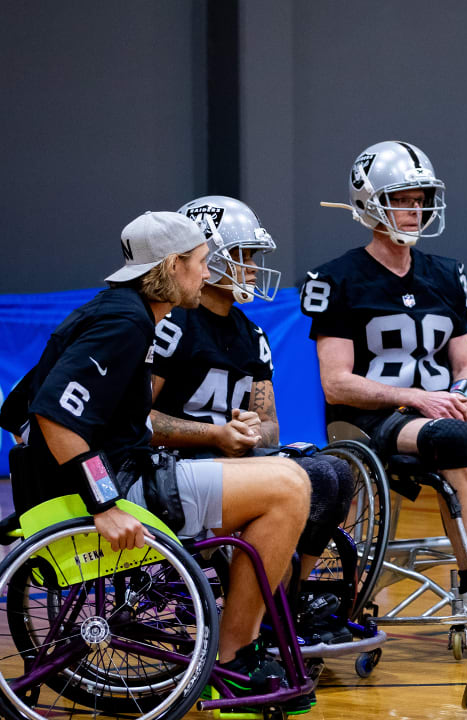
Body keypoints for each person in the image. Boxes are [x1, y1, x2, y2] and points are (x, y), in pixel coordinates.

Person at [0, 211, 312, 705]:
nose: (207, 272)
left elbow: (15, 406)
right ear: (172, 265)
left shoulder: (122, 312)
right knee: (290, 488)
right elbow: (52, 415)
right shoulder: (123, 322)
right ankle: (234, 658)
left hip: (127, 471)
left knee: (288, 471)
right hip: (115, 487)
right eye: (201, 262)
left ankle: (241, 633)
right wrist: (104, 505)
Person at [301, 140, 467, 612]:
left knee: (458, 434)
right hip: (365, 418)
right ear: (370, 204)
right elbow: (336, 383)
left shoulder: (447, 274)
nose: (414, 210)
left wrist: (458, 396)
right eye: (401, 200)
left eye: (419, 200)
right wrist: (418, 398)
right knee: (453, 439)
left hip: (435, 416)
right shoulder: (337, 279)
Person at [151, 196, 355, 616]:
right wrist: (214, 434)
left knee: (335, 472)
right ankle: (261, 608)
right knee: (315, 475)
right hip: (174, 465)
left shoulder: (252, 334)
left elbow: (271, 426)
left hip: (229, 461)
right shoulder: (171, 325)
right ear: (207, 258)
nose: (253, 268)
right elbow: (137, 418)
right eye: (242, 255)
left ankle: (288, 598)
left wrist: (250, 431)